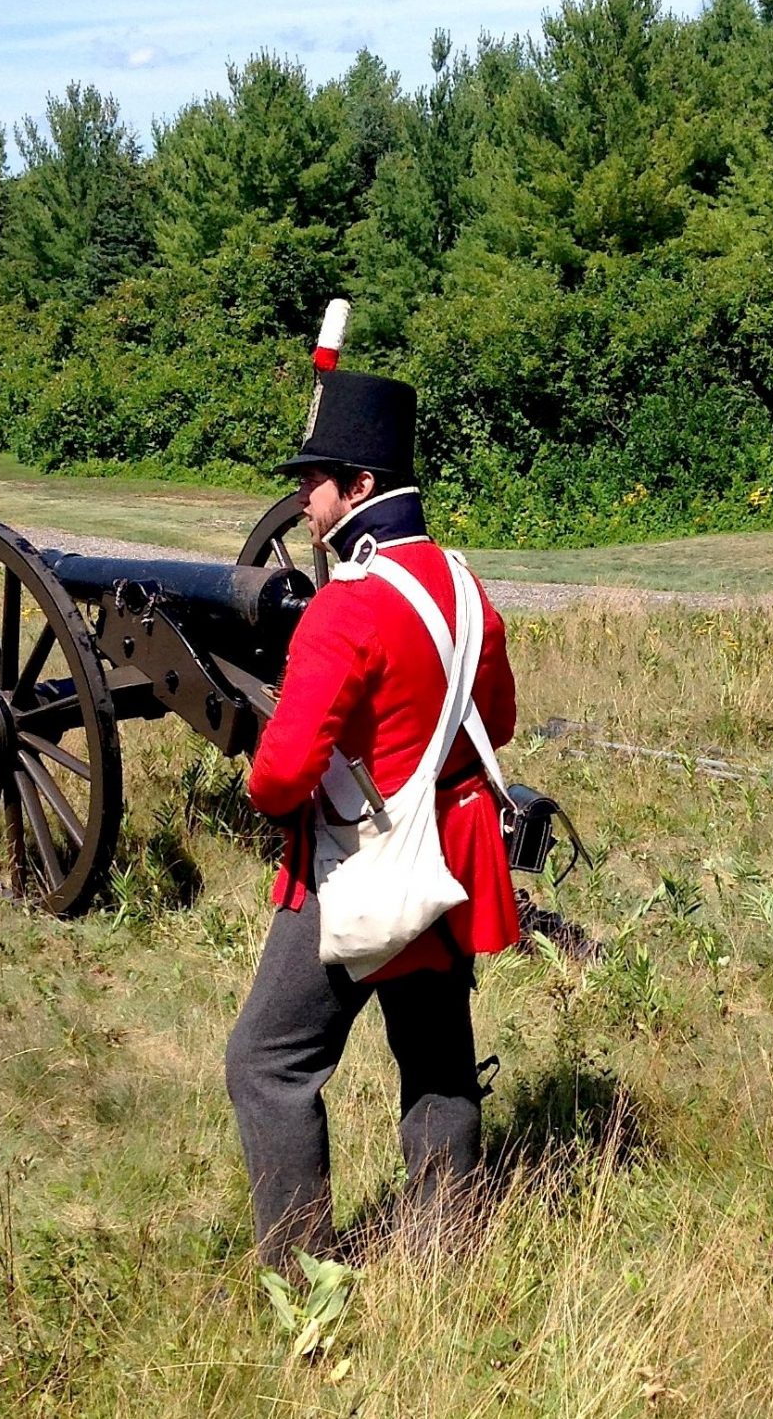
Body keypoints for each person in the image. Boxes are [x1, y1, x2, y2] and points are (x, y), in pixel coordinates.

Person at [226, 369, 520, 1271]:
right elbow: (494, 724)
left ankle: (298, 1271)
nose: (302, 498)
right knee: (434, 1057)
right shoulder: (465, 587)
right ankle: (445, 1252)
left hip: (363, 863)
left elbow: (278, 780)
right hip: (448, 856)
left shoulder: (345, 606)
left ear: (360, 488)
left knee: (267, 1065)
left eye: (316, 478)